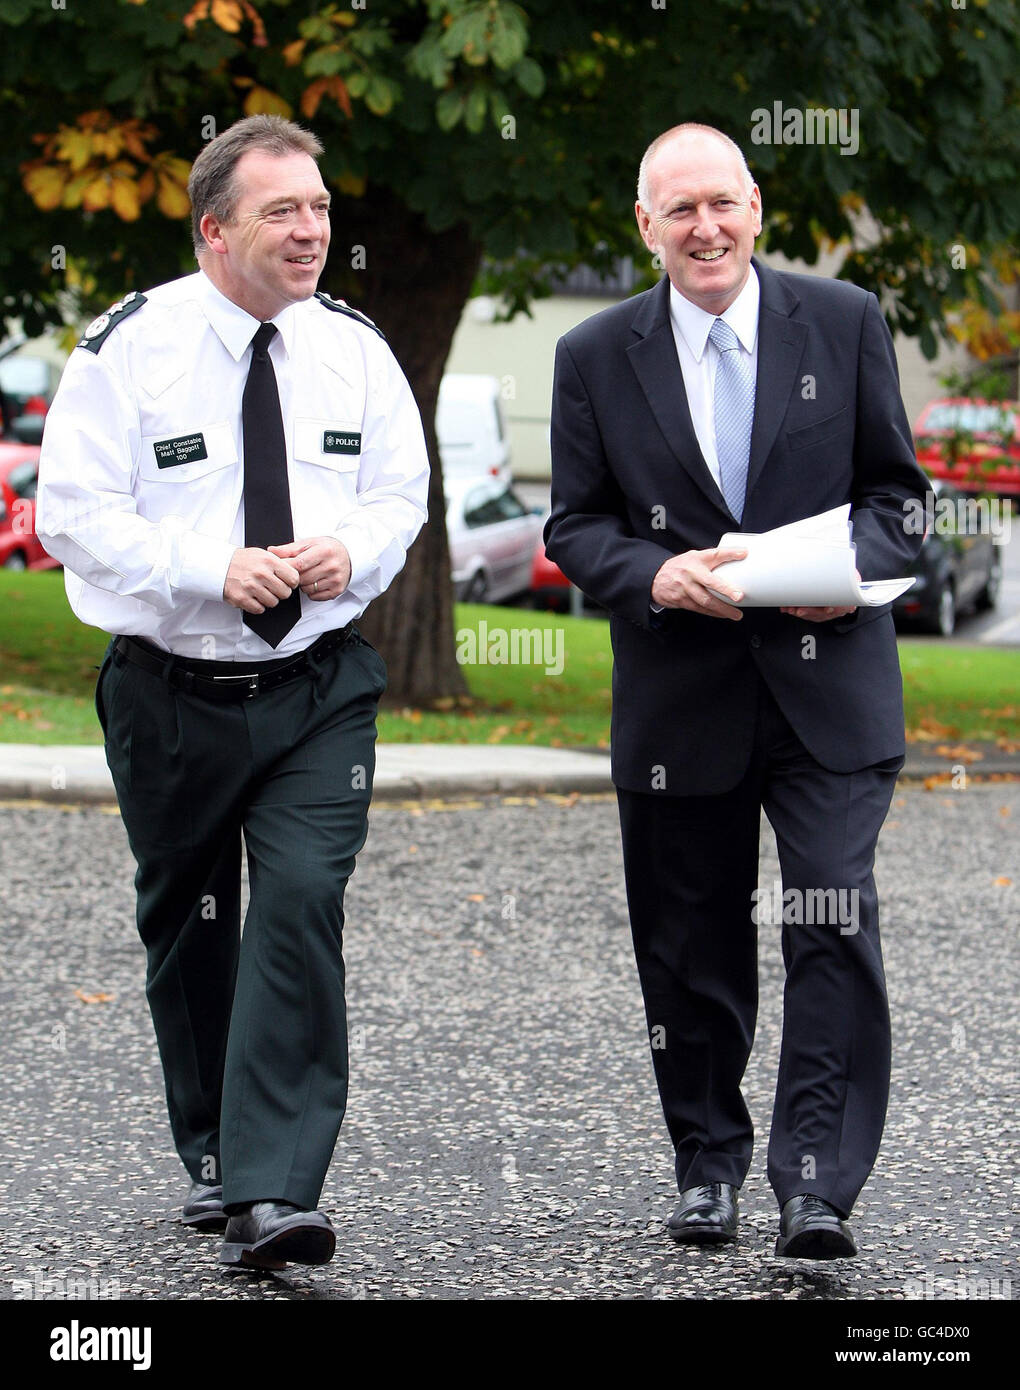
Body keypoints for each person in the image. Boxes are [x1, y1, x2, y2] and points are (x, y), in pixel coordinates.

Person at [36, 115, 429, 1270]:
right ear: (216, 230)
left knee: (300, 898)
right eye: (282, 213)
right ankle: (212, 1150)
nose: (311, 232)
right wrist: (210, 568)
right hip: (169, 691)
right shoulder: (128, 349)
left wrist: (347, 552)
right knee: (190, 923)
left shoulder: (356, 348)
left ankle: (275, 1187)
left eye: (318, 210)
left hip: (318, 686)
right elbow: (73, 516)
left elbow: (398, 492)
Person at [544, 123, 929, 1259]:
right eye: (680, 210)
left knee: (829, 915)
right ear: (645, 227)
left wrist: (853, 578)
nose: (704, 227)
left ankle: (816, 1182)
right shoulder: (593, 353)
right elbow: (574, 525)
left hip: (831, 697)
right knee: (689, 942)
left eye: (723, 203)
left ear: (757, 207)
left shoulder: (848, 320)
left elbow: (898, 501)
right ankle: (705, 1163)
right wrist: (654, 573)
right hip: (680, 701)